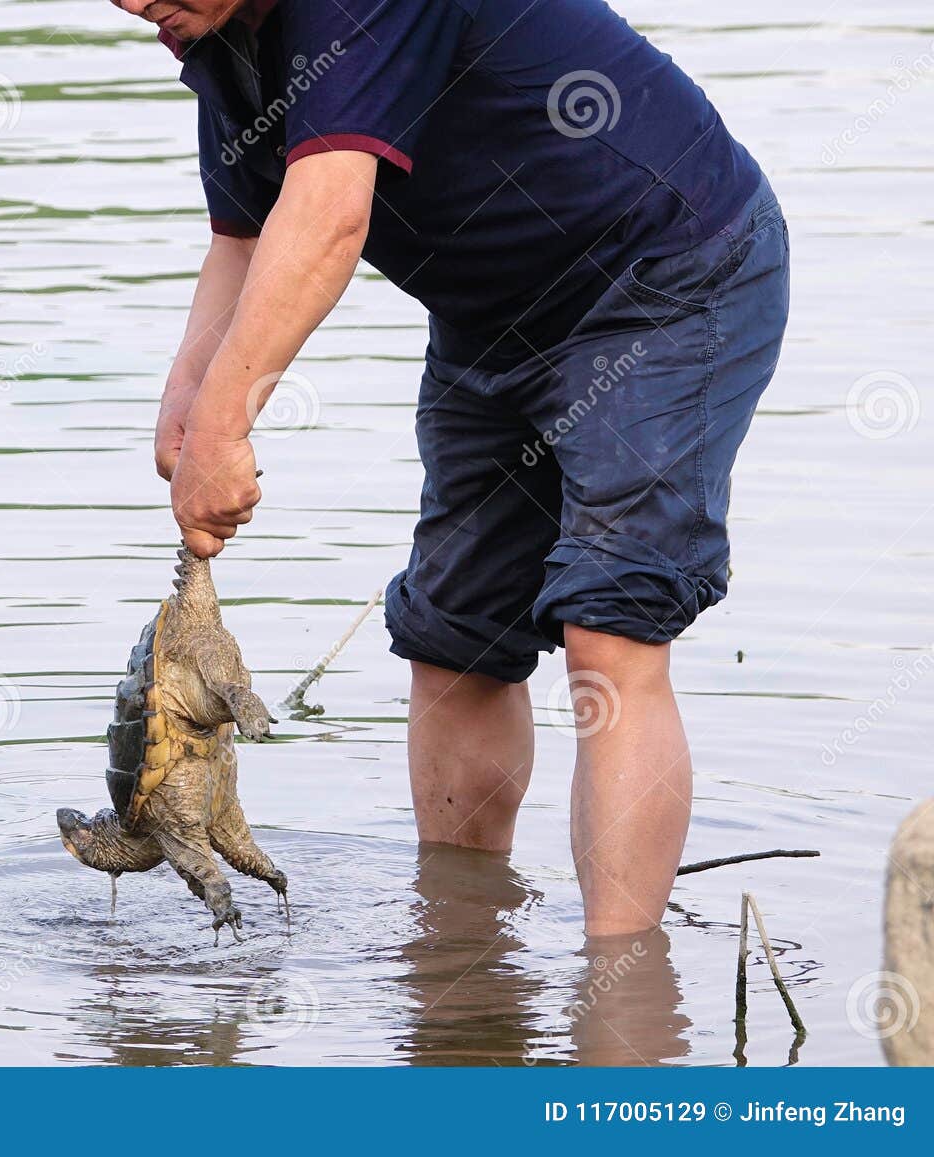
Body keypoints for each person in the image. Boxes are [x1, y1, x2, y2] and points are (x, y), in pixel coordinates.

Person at [106, 0, 791, 936]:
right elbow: (246, 234)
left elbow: (330, 214)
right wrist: (188, 401)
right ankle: (461, 955)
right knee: (452, 639)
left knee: (610, 628)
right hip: (492, 315)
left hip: (664, 271)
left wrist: (227, 430)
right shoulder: (216, 33)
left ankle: (620, 994)